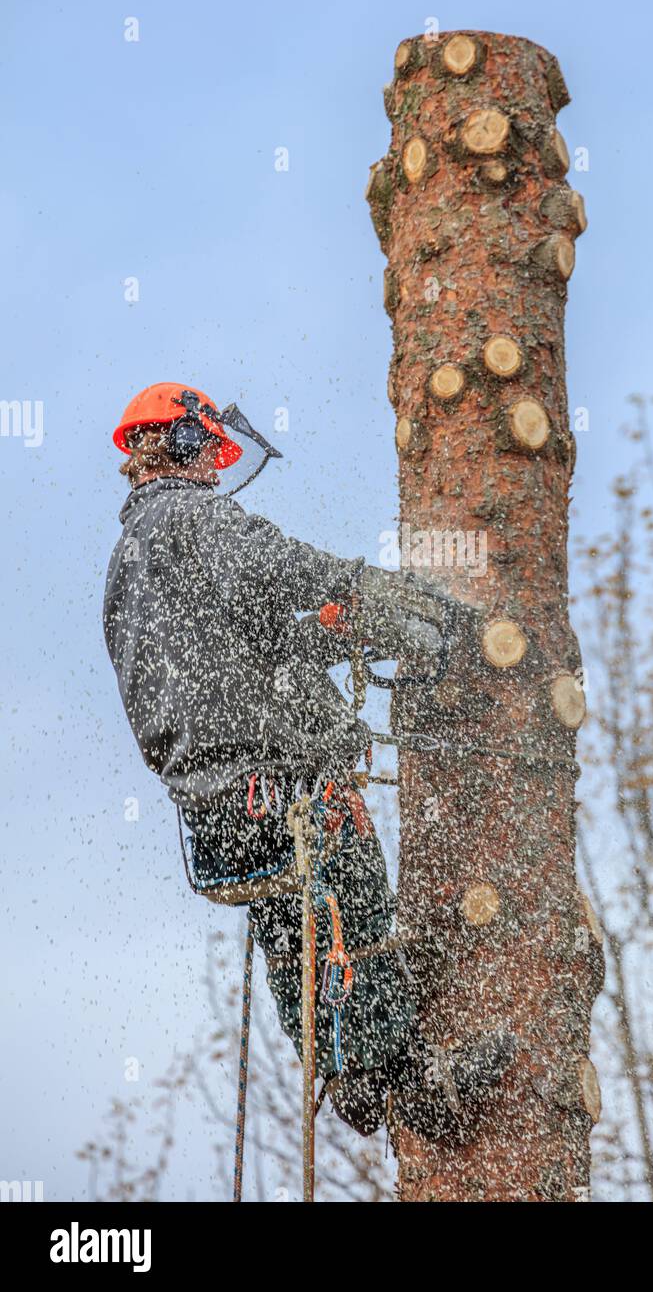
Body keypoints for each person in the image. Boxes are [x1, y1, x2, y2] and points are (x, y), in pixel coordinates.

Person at [103, 382, 514, 1141]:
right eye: (208, 453)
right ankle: (413, 1077)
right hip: (274, 783)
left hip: (214, 810)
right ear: (184, 444)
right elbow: (273, 562)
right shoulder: (189, 518)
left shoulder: (133, 558)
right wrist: (357, 584)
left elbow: (247, 653)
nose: (217, 470)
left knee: (295, 934)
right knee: (350, 903)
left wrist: (330, 629)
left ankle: (354, 1076)